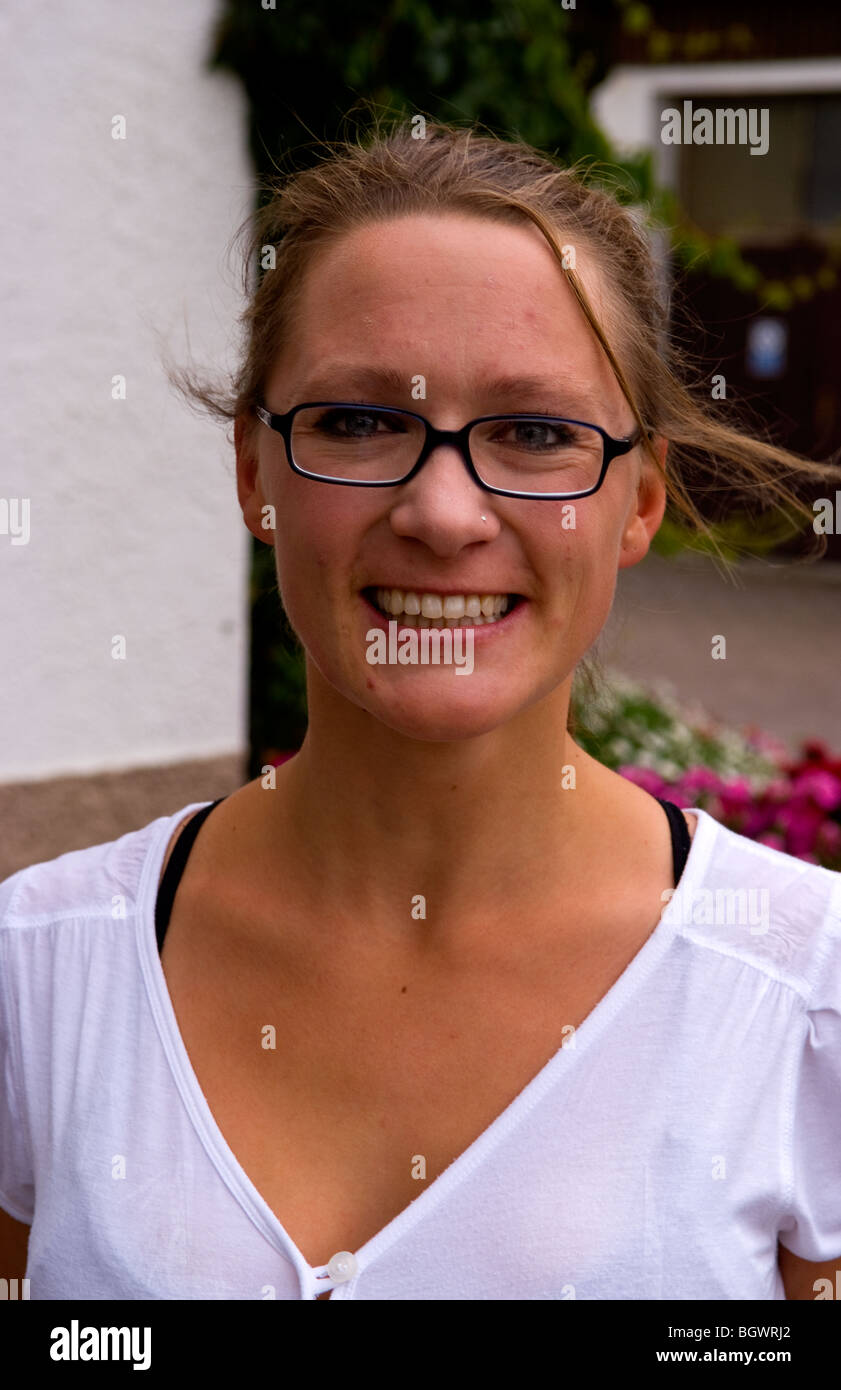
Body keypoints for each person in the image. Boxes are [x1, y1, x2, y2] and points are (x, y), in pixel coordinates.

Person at [1, 119, 840, 1302]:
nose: (443, 512)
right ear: (255, 473)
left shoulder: (806, 991)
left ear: (638, 500)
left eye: (536, 433)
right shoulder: (37, 971)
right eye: (358, 422)